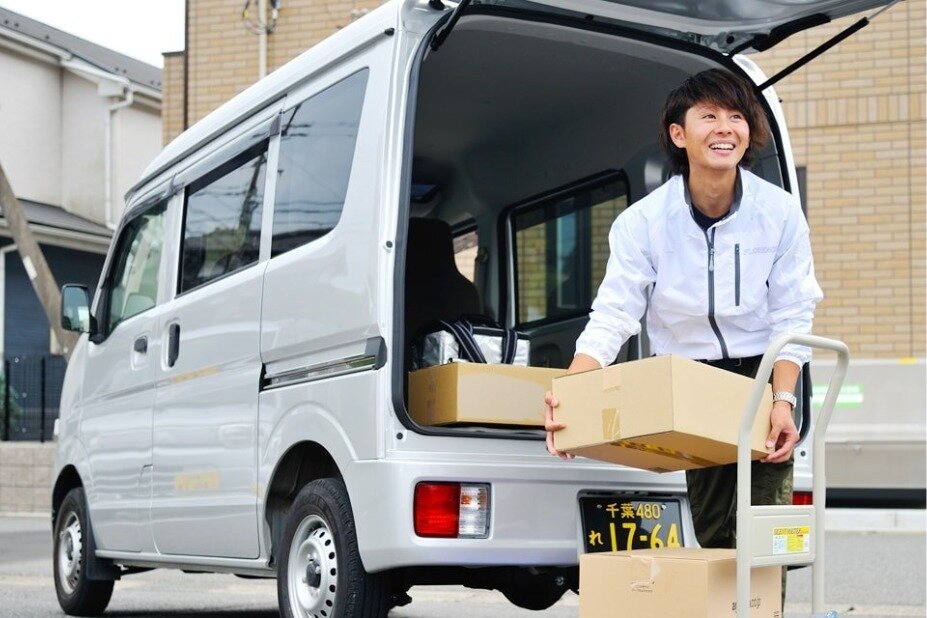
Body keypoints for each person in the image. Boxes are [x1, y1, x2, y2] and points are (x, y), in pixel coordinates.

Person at [544, 68, 822, 561]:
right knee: (713, 530)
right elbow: (615, 313)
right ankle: (723, 599)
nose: (725, 128)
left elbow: (793, 314)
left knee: (765, 529)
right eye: (709, 116)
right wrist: (571, 396)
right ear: (679, 134)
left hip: (762, 375)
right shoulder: (643, 222)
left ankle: (763, 601)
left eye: (736, 117)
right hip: (692, 379)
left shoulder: (779, 213)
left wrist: (784, 399)